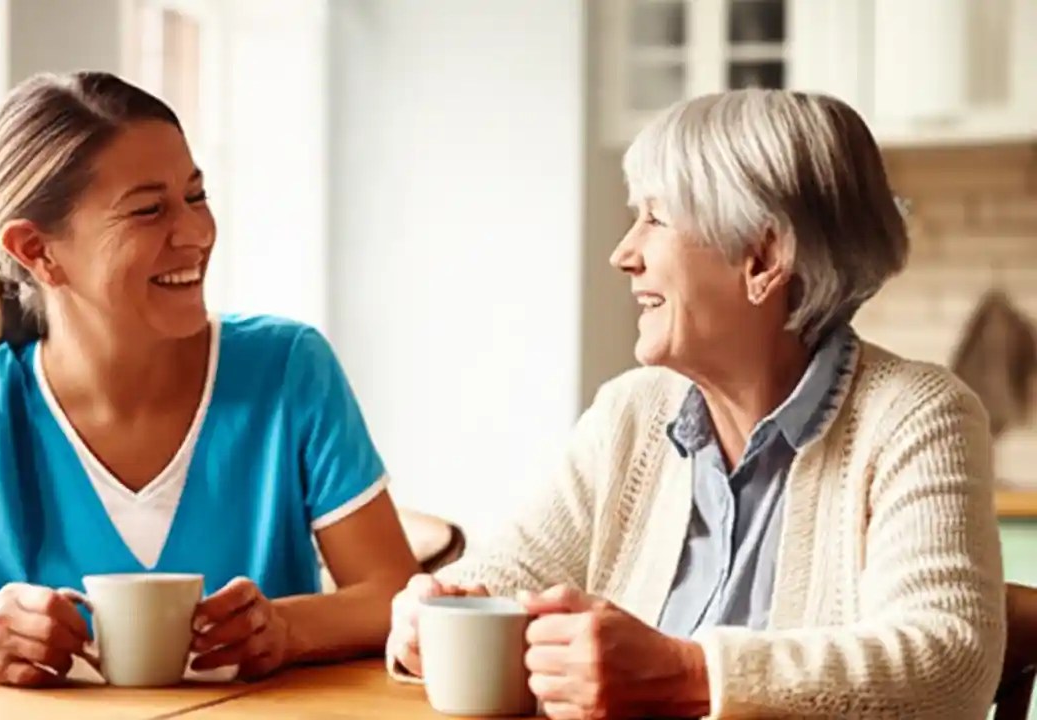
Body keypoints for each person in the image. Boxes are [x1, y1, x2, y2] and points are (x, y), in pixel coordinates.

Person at [0, 71, 418, 686]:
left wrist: (288, 628)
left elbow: (392, 589)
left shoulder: (287, 370)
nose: (195, 233)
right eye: (149, 211)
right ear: (37, 251)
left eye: (195, 194)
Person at [387, 89, 1006, 719]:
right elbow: (507, 575)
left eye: (655, 219)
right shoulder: (630, 414)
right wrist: (436, 609)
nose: (623, 254)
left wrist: (684, 673)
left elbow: (946, 663)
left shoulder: (916, 416)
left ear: (762, 257)